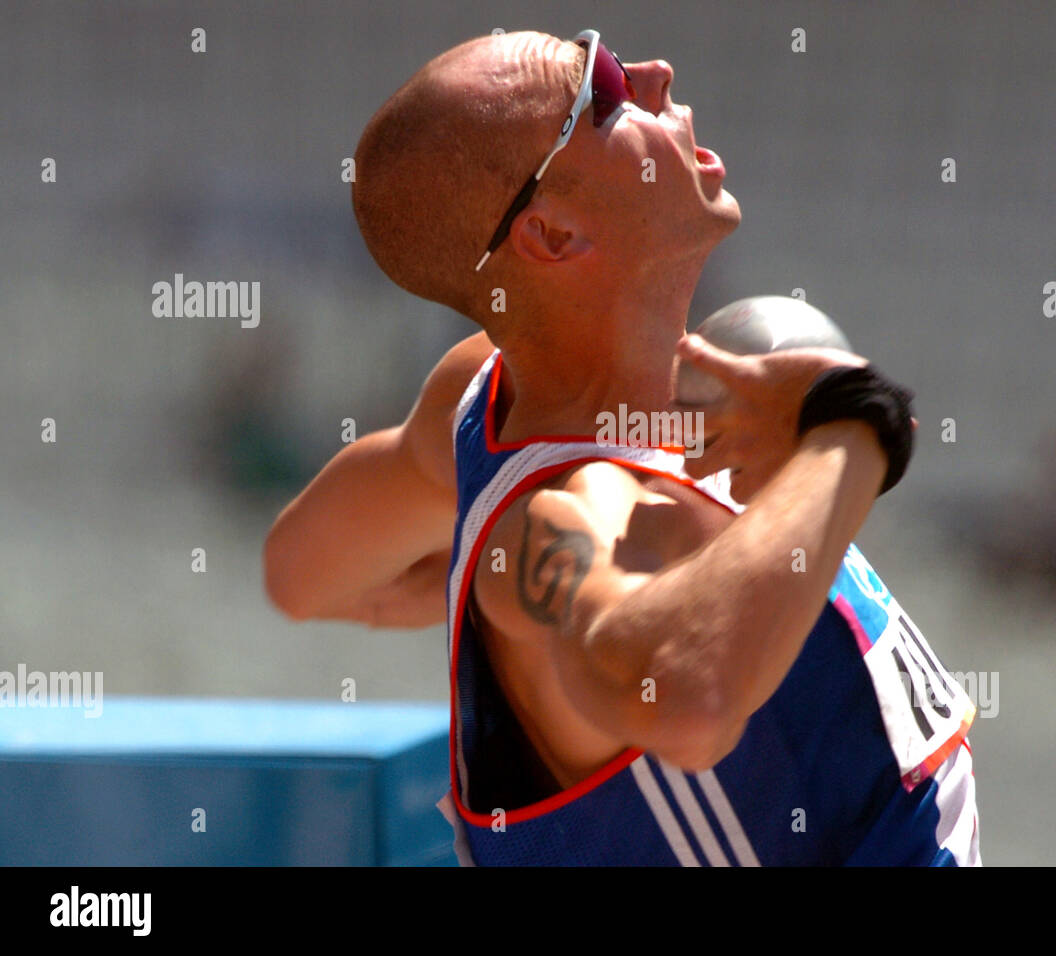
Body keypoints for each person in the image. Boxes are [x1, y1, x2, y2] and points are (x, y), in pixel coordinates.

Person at [263, 29, 981, 865]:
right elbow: (689, 703)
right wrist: (854, 430)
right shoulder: (587, 510)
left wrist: (489, 590)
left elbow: (301, 571)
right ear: (553, 235)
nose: (652, 71)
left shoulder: (477, 400)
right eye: (601, 89)